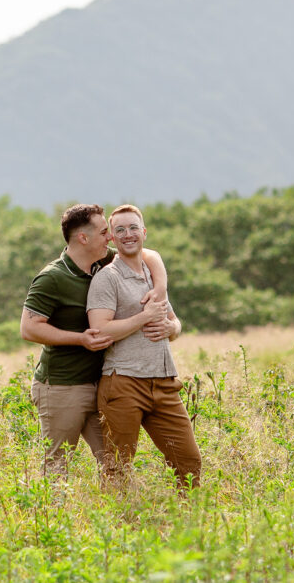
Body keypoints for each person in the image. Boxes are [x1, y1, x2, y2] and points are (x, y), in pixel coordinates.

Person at [20, 204, 177, 477]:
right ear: (83, 238)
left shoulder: (103, 262)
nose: (110, 237)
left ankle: (117, 516)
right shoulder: (52, 278)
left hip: (102, 385)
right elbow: (29, 329)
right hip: (62, 386)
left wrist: (160, 288)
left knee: (114, 461)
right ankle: (48, 518)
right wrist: (80, 339)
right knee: (57, 464)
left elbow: (150, 254)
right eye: (105, 232)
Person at [87, 204, 200, 490]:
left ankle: (188, 524)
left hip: (164, 382)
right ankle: (117, 526)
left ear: (144, 232)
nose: (128, 234)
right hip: (123, 382)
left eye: (133, 228)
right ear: (111, 238)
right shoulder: (107, 278)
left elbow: (174, 322)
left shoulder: (152, 276)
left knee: (189, 464)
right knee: (117, 467)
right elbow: (100, 330)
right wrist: (144, 318)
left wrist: (172, 328)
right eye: (120, 230)